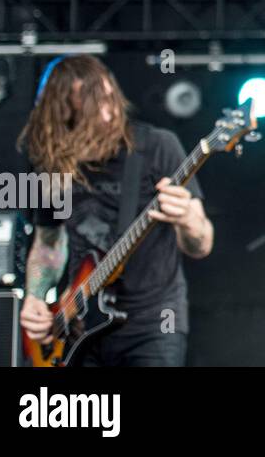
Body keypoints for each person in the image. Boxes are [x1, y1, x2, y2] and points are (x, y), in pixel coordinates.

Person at [17, 55, 213, 366]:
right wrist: (35, 297)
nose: (108, 116)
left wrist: (187, 220)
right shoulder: (51, 165)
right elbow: (48, 242)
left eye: (109, 100)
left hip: (153, 323)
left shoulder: (157, 147)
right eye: (90, 108)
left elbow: (201, 244)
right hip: (78, 325)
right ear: (60, 118)